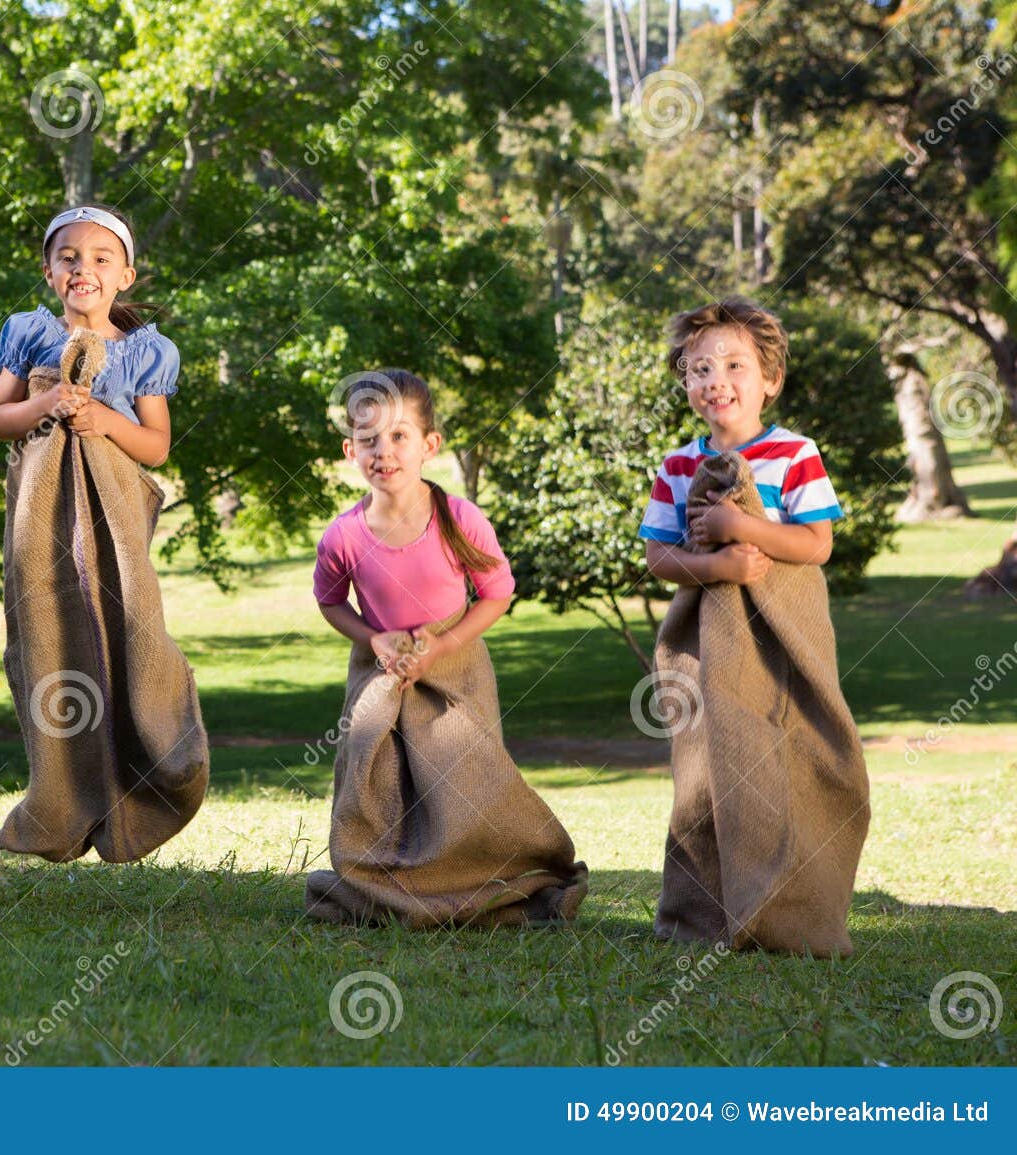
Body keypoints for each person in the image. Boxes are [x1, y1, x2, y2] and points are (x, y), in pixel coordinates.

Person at [305, 368, 588, 928]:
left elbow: (497, 592)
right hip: (384, 678)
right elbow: (331, 602)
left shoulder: (458, 519)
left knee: (462, 784)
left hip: (454, 674)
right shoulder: (343, 535)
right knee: (380, 782)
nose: (383, 452)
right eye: (369, 440)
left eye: (399, 436)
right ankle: (394, 882)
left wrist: (442, 644)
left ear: (429, 445)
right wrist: (373, 638)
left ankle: (480, 878)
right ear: (349, 450)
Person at [643, 295, 869, 957]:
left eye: (735, 364)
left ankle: (793, 916)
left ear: (769, 379)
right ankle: (700, 917)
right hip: (708, 649)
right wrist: (714, 563)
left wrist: (740, 526)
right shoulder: (678, 466)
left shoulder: (795, 453)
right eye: (700, 368)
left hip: (783, 643)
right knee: (708, 774)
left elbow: (817, 543)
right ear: (686, 385)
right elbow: (659, 557)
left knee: (791, 762)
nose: (717, 378)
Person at [0, 203, 208, 863]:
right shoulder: (29, 333)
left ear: (126, 276)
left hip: (111, 521)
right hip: (41, 518)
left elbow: (157, 444)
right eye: (70, 258)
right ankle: (55, 804)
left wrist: (104, 423)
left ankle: (148, 779)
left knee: (124, 636)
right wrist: (48, 402)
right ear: (50, 272)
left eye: (100, 258)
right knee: (50, 643)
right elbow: (2, 418)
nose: (84, 268)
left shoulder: (144, 350)